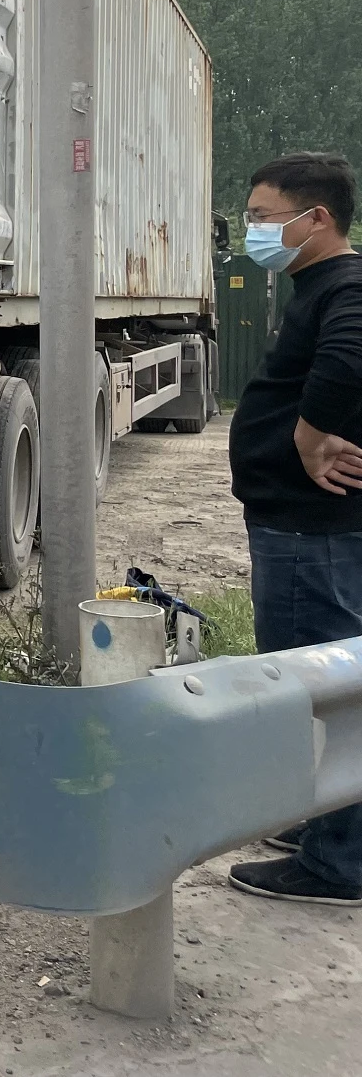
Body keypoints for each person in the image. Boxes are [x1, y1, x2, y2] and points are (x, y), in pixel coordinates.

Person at [227, 152, 362, 905]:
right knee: (320, 686)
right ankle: (327, 826)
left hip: (311, 533)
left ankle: (339, 861)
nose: (252, 231)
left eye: (261, 217)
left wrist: (309, 436)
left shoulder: (345, 284)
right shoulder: (319, 284)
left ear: (316, 219)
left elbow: (348, 361)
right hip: (300, 526)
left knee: (325, 692)